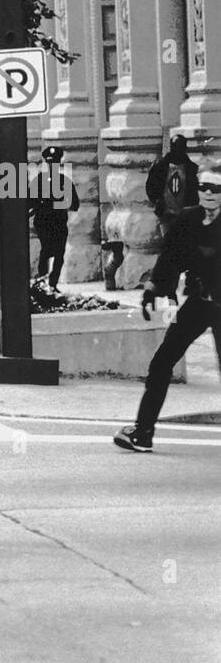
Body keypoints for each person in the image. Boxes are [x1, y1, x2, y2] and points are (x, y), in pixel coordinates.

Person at [114, 164, 221, 453]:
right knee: (161, 363)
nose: (209, 194)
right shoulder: (189, 219)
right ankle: (142, 432)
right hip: (198, 304)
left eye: (216, 189)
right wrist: (153, 290)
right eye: (204, 187)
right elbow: (170, 257)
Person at [28, 145, 79, 291]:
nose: (52, 166)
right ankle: (43, 281)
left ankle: (53, 283)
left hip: (59, 221)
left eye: (55, 163)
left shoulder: (65, 181)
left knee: (59, 253)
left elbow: (75, 204)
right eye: (49, 163)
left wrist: (59, 204)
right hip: (43, 222)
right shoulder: (38, 181)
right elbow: (30, 202)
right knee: (46, 250)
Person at [146, 134, 199, 231]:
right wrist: (158, 202)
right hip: (165, 215)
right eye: (175, 146)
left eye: (180, 146)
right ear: (171, 147)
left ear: (185, 148)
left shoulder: (192, 169)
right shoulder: (160, 167)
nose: (177, 149)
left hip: (186, 217)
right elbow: (150, 187)